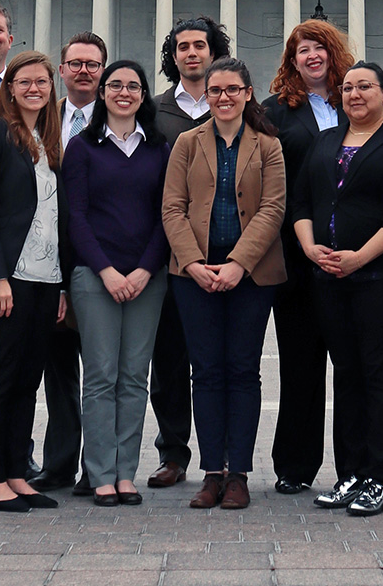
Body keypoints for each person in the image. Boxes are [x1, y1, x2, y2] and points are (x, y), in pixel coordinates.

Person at [293, 62, 383, 517]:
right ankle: (349, 472)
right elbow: (303, 201)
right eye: (348, 88)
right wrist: (311, 248)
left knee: (379, 374)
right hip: (329, 276)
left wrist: (359, 257)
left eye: (365, 87)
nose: (354, 94)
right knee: (346, 373)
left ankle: (378, 477)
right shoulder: (326, 140)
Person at [162, 58, 286, 510]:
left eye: (233, 89)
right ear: (207, 95)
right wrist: (193, 263)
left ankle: (240, 474)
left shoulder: (268, 145)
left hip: (252, 276)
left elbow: (274, 209)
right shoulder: (186, 142)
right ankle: (212, 472)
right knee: (206, 372)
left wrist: (237, 263)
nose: (224, 97)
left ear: (248, 93)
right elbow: (172, 208)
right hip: (194, 275)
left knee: (242, 371)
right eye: (216, 90)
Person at [0, 51, 73, 513]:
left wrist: (63, 284)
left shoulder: (48, 140)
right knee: (1, 378)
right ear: (9, 88)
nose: (34, 88)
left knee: (28, 380)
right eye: (24, 81)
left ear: (52, 89)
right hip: (6, 277)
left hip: (46, 279)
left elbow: (55, 217)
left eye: (42, 82)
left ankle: (15, 472)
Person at [65, 60, 170, 507]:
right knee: (100, 377)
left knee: (134, 378)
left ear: (144, 94)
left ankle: (126, 473)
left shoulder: (161, 149)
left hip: (149, 277)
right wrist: (106, 270)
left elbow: (170, 215)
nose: (124, 92)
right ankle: (100, 473)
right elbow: (76, 216)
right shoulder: (82, 148)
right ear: (103, 93)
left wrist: (146, 269)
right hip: (95, 276)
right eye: (116, 85)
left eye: (133, 85)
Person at [262, 19, 352, 496]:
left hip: (354, 251)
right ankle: (294, 464)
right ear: (291, 61)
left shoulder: (357, 99)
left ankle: (354, 467)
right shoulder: (275, 111)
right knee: (300, 363)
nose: (311, 56)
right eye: (302, 50)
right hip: (296, 253)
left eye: (319, 47)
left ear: (333, 52)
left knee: (352, 364)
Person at [147, 16, 227, 489]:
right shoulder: (154, 112)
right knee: (171, 360)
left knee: (222, 362)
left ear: (214, 52)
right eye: (183, 47)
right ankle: (173, 452)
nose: (191, 53)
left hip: (228, 252)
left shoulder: (236, 105)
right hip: (173, 255)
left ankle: (223, 456)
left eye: (200, 45)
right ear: (173, 56)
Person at [30, 31, 109, 496]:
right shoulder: (41, 120)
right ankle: (59, 464)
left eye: (92, 64)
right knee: (58, 375)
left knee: (102, 373)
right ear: (62, 71)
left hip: (102, 263)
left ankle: (96, 467)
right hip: (51, 265)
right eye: (75, 63)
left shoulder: (120, 118)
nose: (83, 71)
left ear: (102, 70)